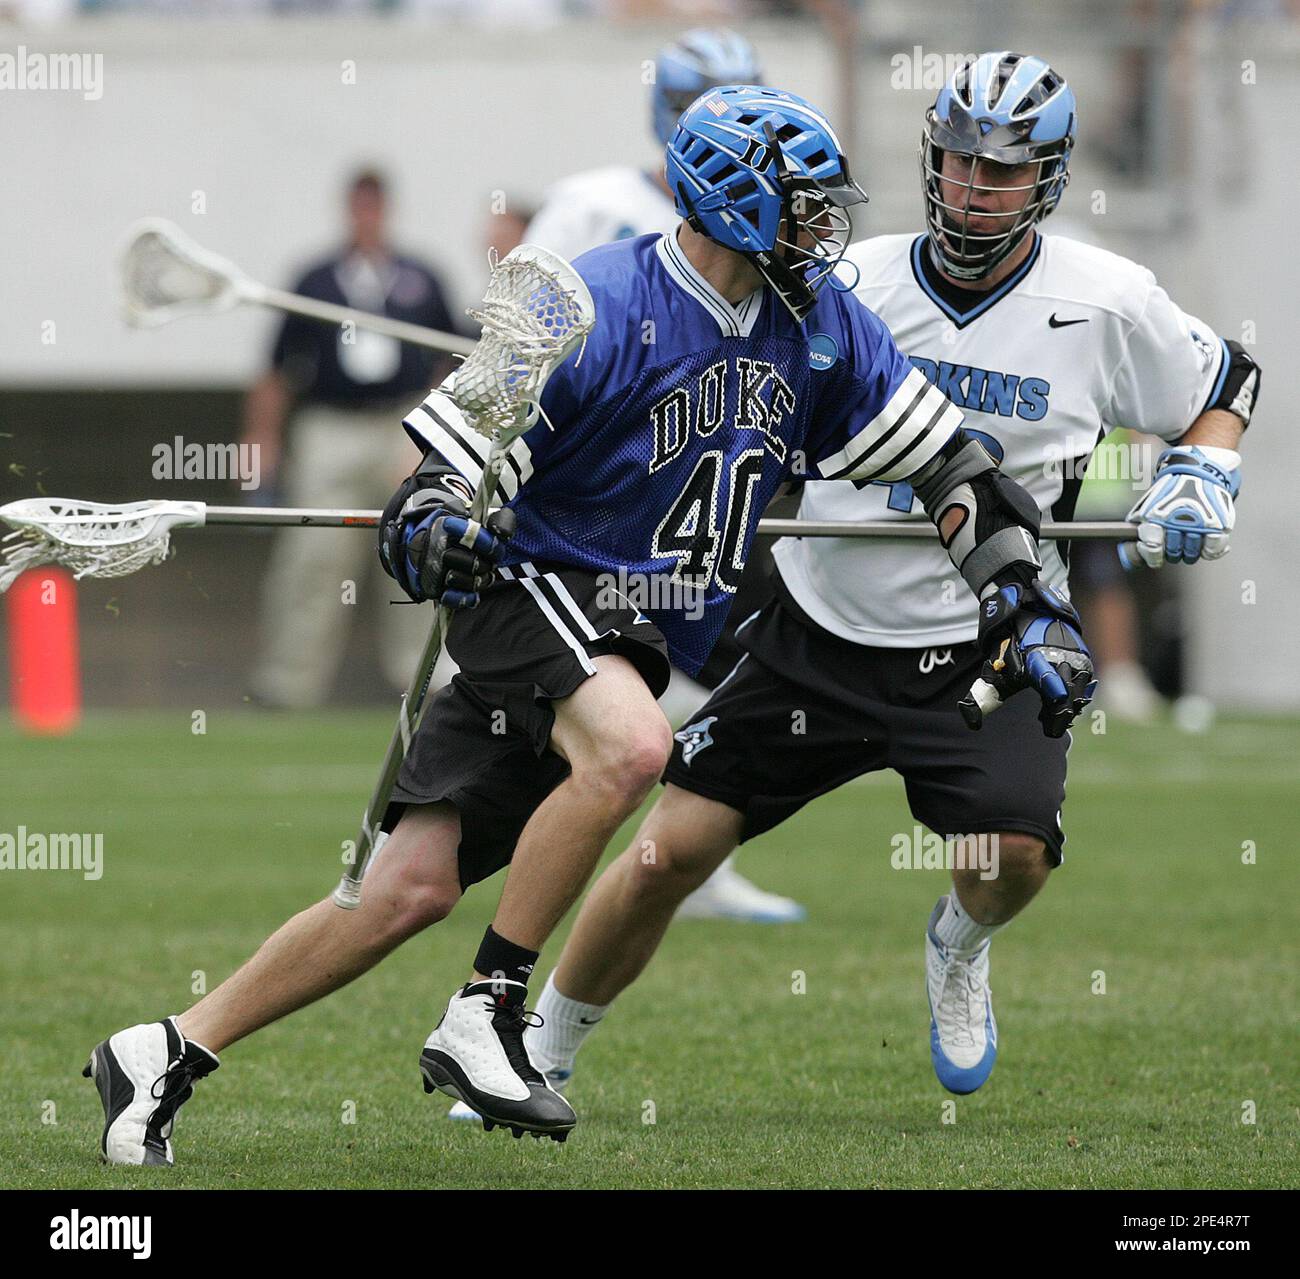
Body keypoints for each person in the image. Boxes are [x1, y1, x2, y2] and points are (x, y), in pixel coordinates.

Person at [83, 83, 1092, 1160]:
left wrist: (1019, 596)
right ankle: (487, 1012)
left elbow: (952, 470)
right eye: (802, 206)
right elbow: (439, 464)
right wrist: (426, 518)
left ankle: (159, 1053)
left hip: (628, 631)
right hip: (531, 587)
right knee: (633, 748)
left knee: (404, 890)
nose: (823, 229)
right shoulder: (588, 301)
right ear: (738, 202)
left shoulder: (822, 328)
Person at [520, 52, 1258, 1104]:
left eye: (999, 172)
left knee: (1010, 858)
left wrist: (1205, 468)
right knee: (664, 854)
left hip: (989, 636)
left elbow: (1226, 375)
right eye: (957, 163)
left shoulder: (1106, 298)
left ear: (1047, 177)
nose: (971, 189)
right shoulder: (841, 277)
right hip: (818, 627)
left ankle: (958, 945)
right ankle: (538, 1049)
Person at [523, 26, 804, 925]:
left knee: (718, 657)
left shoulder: (782, 218)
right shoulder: (591, 206)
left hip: (710, 475)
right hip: (598, 485)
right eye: (694, 107)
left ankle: (691, 861)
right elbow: (528, 326)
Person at [245, 169, 460, 708]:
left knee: (417, 544)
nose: (367, 216)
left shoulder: (420, 277)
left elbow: (447, 363)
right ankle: (288, 683)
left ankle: (425, 681)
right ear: (348, 209)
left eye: (375, 206)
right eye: (358, 206)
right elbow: (276, 369)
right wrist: (263, 440)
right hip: (331, 425)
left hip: (402, 423)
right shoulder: (316, 279)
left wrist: (433, 431)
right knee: (314, 553)